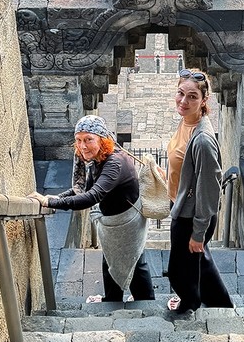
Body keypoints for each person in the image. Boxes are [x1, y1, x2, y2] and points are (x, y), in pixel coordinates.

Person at [30, 115, 155, 303]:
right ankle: (117, 299)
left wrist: (51, 203)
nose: (82, 146)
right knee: (118, 261)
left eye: (89, 139)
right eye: (79, 140)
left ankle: (143, 302)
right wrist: (56, 198)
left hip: (125, 224)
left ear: (102, 140)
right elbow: (83, 189)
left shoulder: (114, 164)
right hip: (116, 221)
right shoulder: (98, 160)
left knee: (134, 262)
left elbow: (91, 197)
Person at [166, 68, 233, 318]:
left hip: (193, 215)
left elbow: (209, 190)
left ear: (204, 100)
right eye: (181, 93)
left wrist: (198, 233)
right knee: (198, 262)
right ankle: (221, 303)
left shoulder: (203, 140)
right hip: (182, 203)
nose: (183, 101)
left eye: (192, 97)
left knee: (180, 269)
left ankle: (189, 304)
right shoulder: (186, 121)